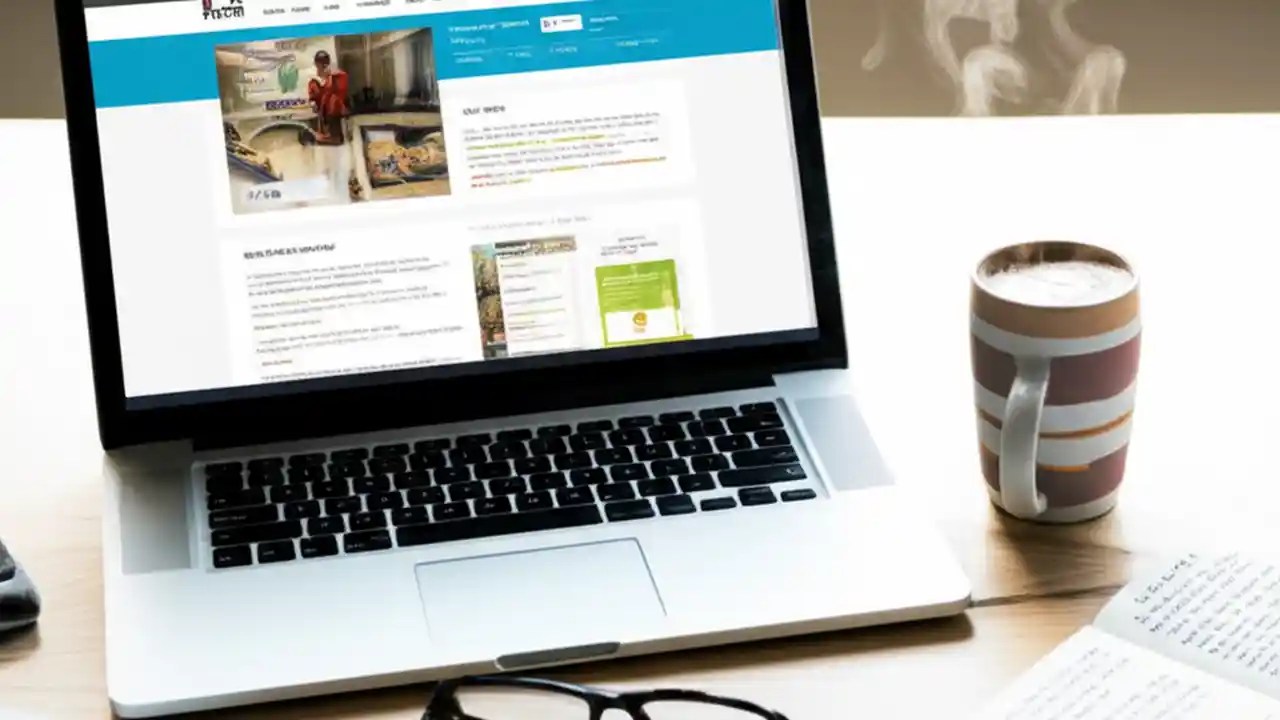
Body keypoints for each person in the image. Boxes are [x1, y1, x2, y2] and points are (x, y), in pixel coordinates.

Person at [307, 50, 348, 145]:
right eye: (318, 64)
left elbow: (341, 89)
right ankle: (326, 135)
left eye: (321, 64)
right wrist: (312, 101)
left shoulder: (337, 76)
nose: (319, 67)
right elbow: (313, 93)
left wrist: (331, 76)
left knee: (333, 102)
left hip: (333, 112)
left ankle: (334, 137)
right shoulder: (314, 81)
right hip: (323, 113)